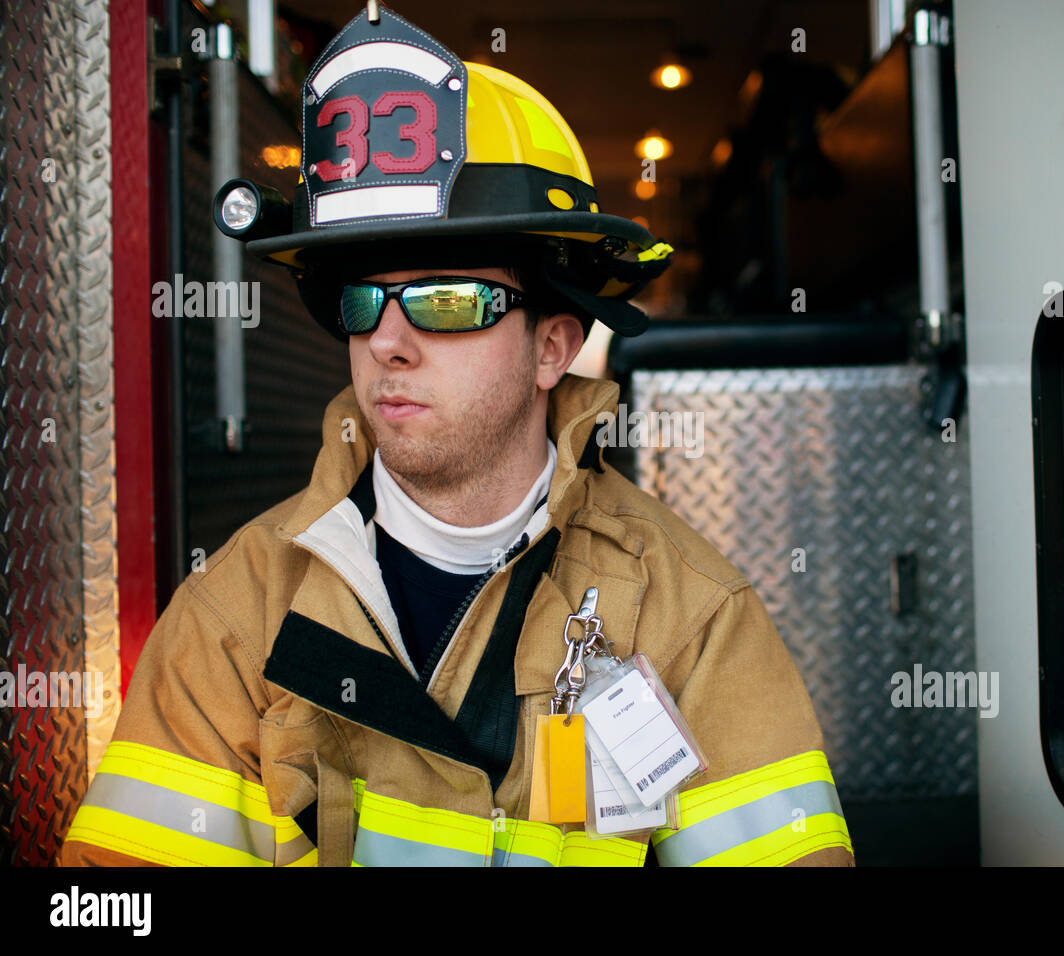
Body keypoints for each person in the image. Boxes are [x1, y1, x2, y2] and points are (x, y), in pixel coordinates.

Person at [60, 5, 853, 867]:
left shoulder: (687, 612)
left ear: (552, 346)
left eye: (446, 300)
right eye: (365, 300)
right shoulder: (234, 615)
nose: (391, 342)